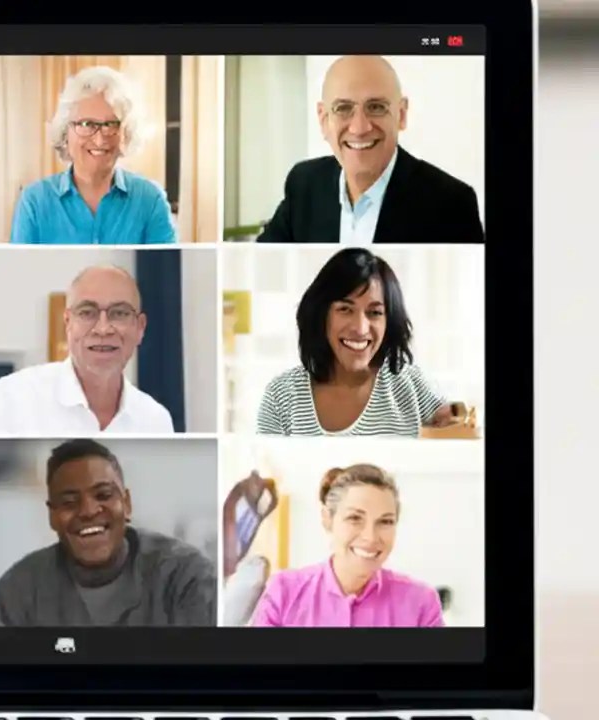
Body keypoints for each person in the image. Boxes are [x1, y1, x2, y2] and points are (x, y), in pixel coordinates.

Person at [256, 55, 483, 245]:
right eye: (343, 108)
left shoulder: (451, 204)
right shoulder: (304, 184)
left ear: (401, 115)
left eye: (376, 107)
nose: (359, 128)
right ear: (324, 120)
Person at [0, 439, 216, 626]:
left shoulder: (185, 578)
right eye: (69, 502)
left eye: (103, 495)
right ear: (52, 516)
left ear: (126, 504)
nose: (88, 511)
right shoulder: (20, 589)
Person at [256, 248, 460, 436]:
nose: (361, 329)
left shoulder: (412, 385)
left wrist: (457, 422)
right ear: (321, 314)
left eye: (374, 312)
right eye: (345, 309)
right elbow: (262, 462)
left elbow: (460, 425)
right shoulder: (280, 396)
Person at [0, 265, 174, 433]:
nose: (103, 329)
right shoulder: (11, 400)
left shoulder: (156, 421)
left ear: (140, 328)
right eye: (87, 313)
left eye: (119, 313)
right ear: (68, 323)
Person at [249, 464, 444, 627]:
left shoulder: (421, 603)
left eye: (385, 521)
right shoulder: (284, 592)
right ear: (327, 519)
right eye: (355, 518)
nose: (370, 537)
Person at [10, 66, 176, 245]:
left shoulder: (150, 200)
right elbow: (20, 264)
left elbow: (168, 264)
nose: (99, 139)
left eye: (110, 124)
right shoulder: (34, 202)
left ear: (126, 132)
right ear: (66, 131)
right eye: (86, 124)